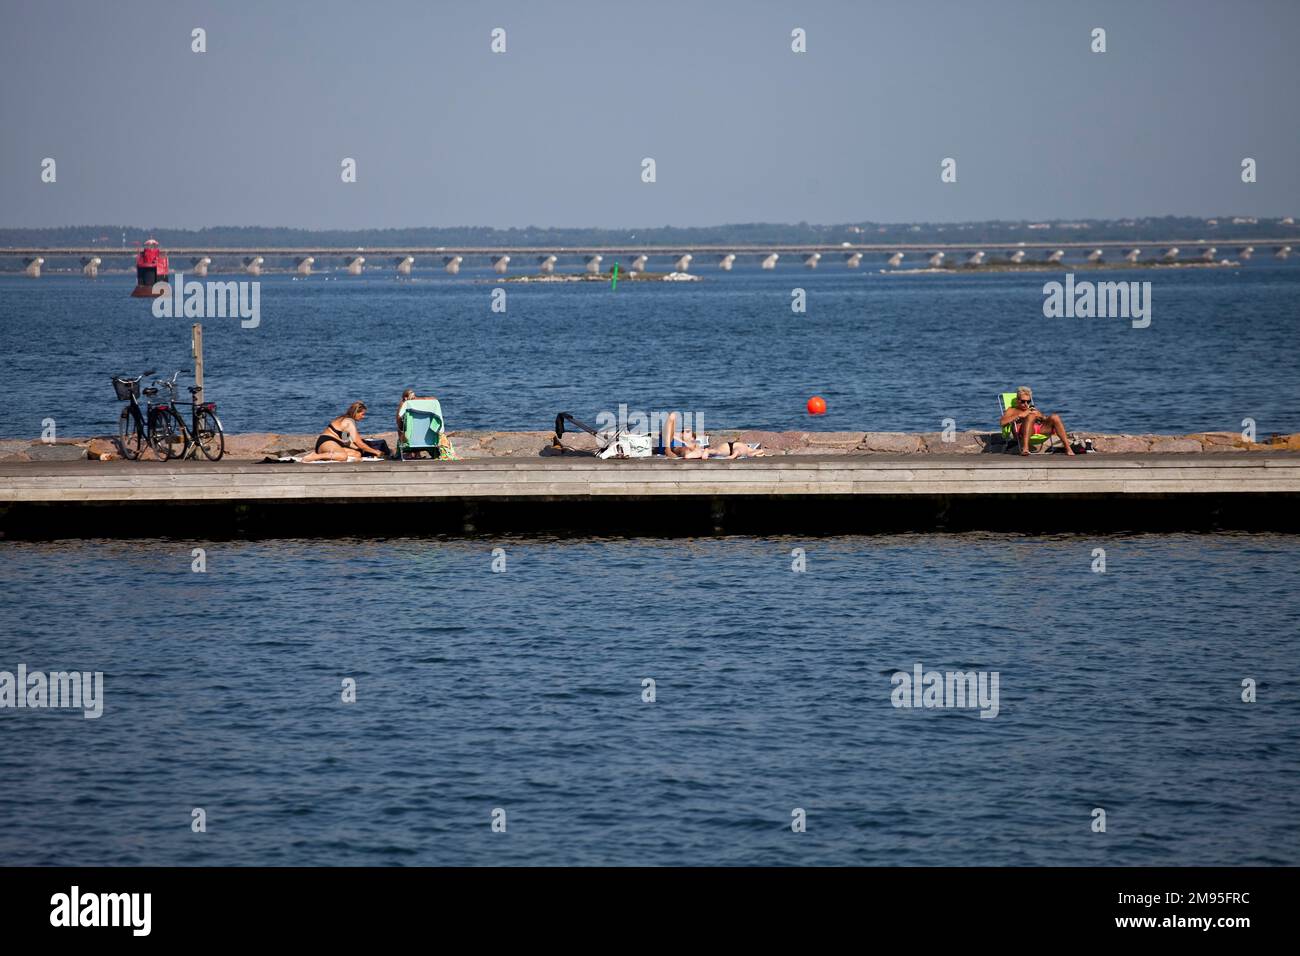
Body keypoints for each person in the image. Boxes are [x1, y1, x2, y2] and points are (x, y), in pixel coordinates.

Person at [656, 411, 767, 459]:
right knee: (673, 416)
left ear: (693, 438)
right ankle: (667, 449)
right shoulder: (674, 436)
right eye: (684, 430)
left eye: (688, 431)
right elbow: (671, 418)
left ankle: (668, 450)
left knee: (686, 450)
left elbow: (697, 452)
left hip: (677, 449)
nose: (684, 431)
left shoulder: (693, 446)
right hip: (668, 446)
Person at [1000, 386, 1075, 456]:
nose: (1026, 404)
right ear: (1017, 400)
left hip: (1038, 429)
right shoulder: (1012, 410)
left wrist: (1041, 416)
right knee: (1031, 416)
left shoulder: (1032, 409)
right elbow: (1002, 422)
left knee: (1055, 417)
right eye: (1023, 401)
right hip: (1021, 431)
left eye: (1028, 402)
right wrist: (1020, 415)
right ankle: (1025, 448)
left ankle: (1068, 448)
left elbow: (1045, 420)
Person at [301, 401, 387, 461]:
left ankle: (326, 456)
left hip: (332, 443)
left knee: (357, 454)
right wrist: (376, 452)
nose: (363, 417)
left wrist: (359, 450)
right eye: (362, 414)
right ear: (356, 412)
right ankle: (315, 456)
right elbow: (359, 443)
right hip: (327, 441)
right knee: (342, 456)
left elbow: (345, 441)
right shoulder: (349, 422)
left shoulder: (344, 419)